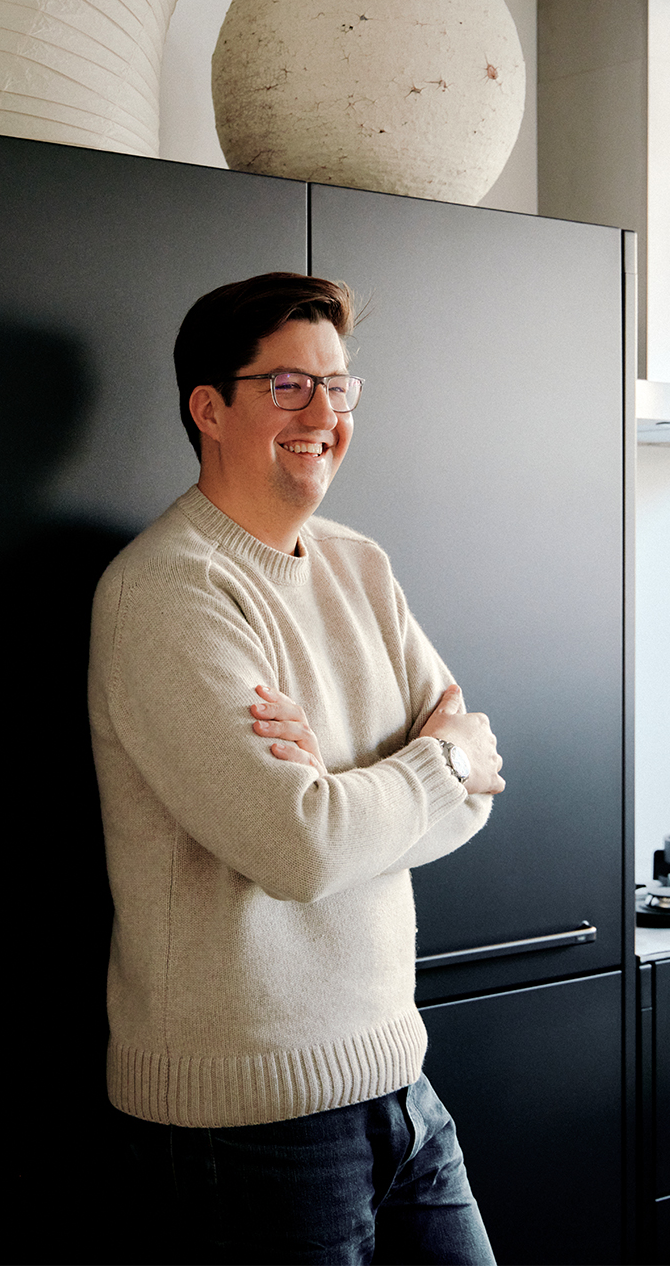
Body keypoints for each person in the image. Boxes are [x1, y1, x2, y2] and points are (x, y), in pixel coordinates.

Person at [88, 272, 505, 1265]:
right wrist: (421, 762)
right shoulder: (166, 592)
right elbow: (299, 847)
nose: (324, 414)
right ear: (209, 407)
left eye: (338, 386)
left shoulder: (359, 564)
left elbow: (478, 782)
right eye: (287, 386)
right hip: (248, 1120)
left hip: (400, 1080)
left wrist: (367, 776)